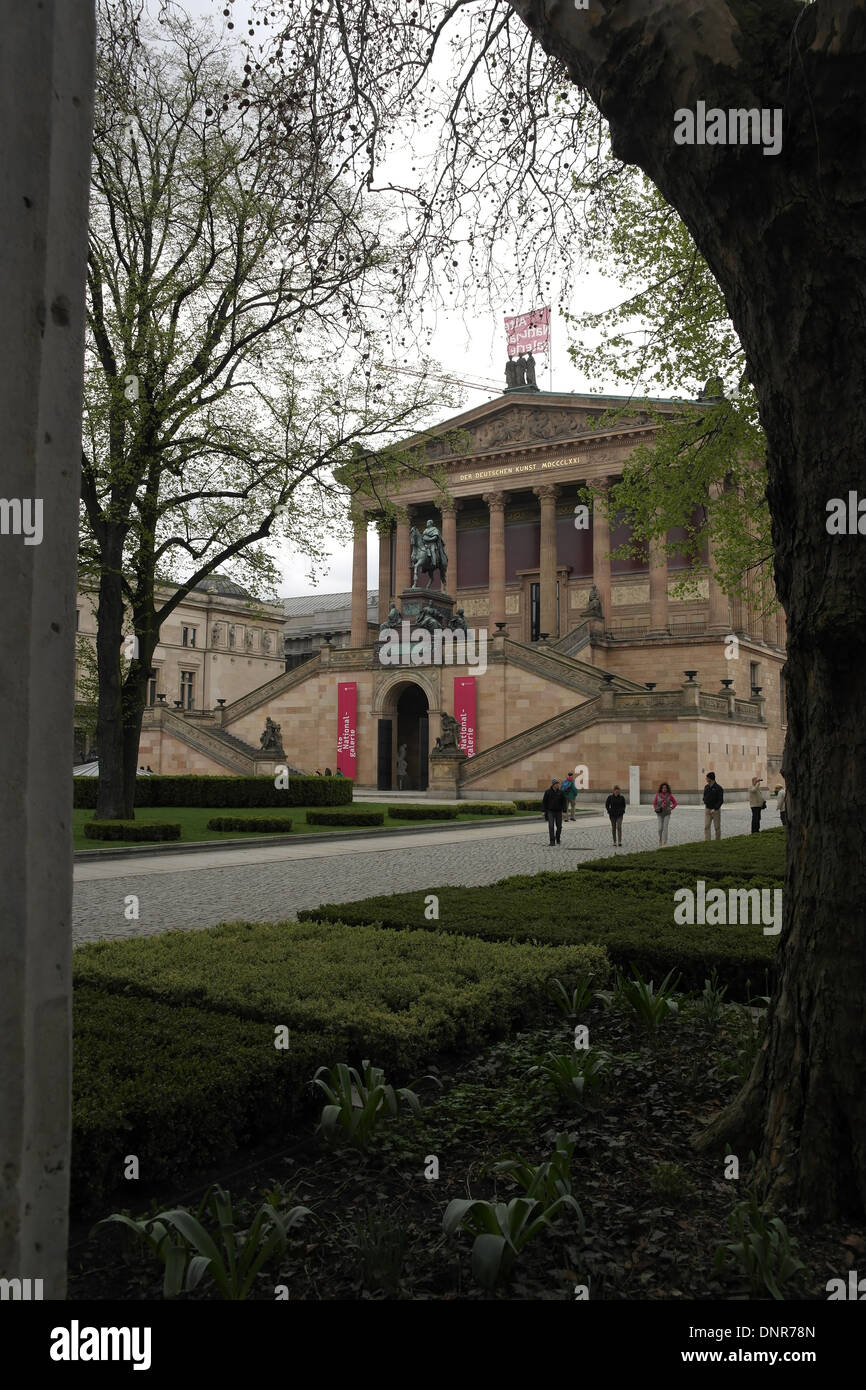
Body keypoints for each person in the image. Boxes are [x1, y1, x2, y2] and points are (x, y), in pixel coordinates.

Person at [541, 778, 567, 846]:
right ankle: (552, 841)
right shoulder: (547, 792)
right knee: (551, 826)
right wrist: (543, 811)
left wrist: (564, 812)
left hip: (558, 812)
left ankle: (557, 838)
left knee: (559, 827)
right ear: (553, 784)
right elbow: (544, 802)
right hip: (550, 811)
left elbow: (564, 802)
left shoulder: (561, 792)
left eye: (558, 783)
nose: (558, 785)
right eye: (556, 784)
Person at [653, 781, 677, 846]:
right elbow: (654, 803)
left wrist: (671, 808)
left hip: (667, 813)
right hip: (660, 813)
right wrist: (656, 808)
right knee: (660, 828)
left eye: (665, 788)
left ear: (667, 789)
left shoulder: (670, 795)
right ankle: (660, 838)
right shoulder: (657, 795)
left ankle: (665, 842)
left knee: (665, 828)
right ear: (661, 788)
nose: (664, 789)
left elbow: (675, 803)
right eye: (663, 788)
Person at [703, 771, 724, 840]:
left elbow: (720, 800)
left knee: (717, 827)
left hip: (715, 811)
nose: (706, 779)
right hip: (707, 809)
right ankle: (707, 841)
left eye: (707, 778)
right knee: (706, 826)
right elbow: (704, 796)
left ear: (710, 778)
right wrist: (705, 801)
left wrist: (715, 808)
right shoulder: (706, 787)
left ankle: (717, 841)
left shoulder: (719, 788)